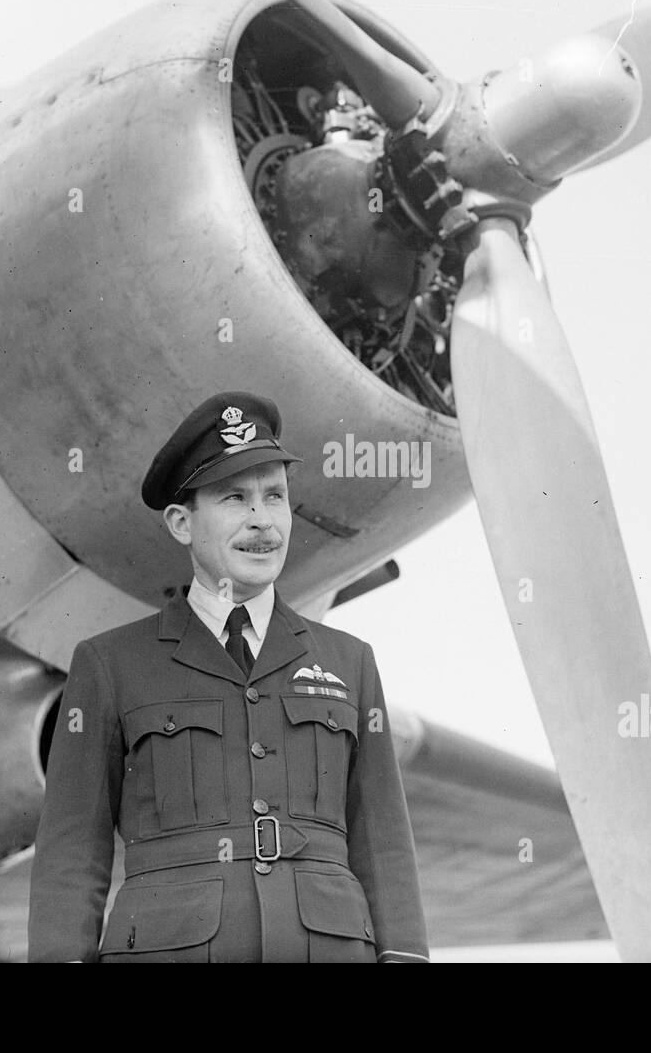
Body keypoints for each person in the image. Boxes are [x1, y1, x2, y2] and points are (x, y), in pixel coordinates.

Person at [27, 391, 429, 962]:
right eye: (235, 498)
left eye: (275, 497)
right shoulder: (109, 665)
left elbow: (383, 840)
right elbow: (72, 850)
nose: (262, 520)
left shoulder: (350, 663)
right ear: (181, 523)